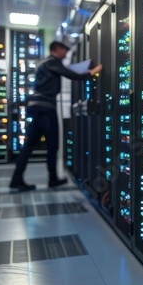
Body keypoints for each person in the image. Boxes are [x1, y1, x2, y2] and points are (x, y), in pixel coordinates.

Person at [10, 40, 102, 190]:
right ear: (57, 49)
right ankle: (52, 179)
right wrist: (93, 72)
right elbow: (71, 74)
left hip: (36, 106)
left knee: (29, 145)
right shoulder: (52, 62)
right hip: (45, 107)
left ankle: (16, 179)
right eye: (64, 50)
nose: (66, 53)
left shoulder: (44, 62)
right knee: (53, 144)